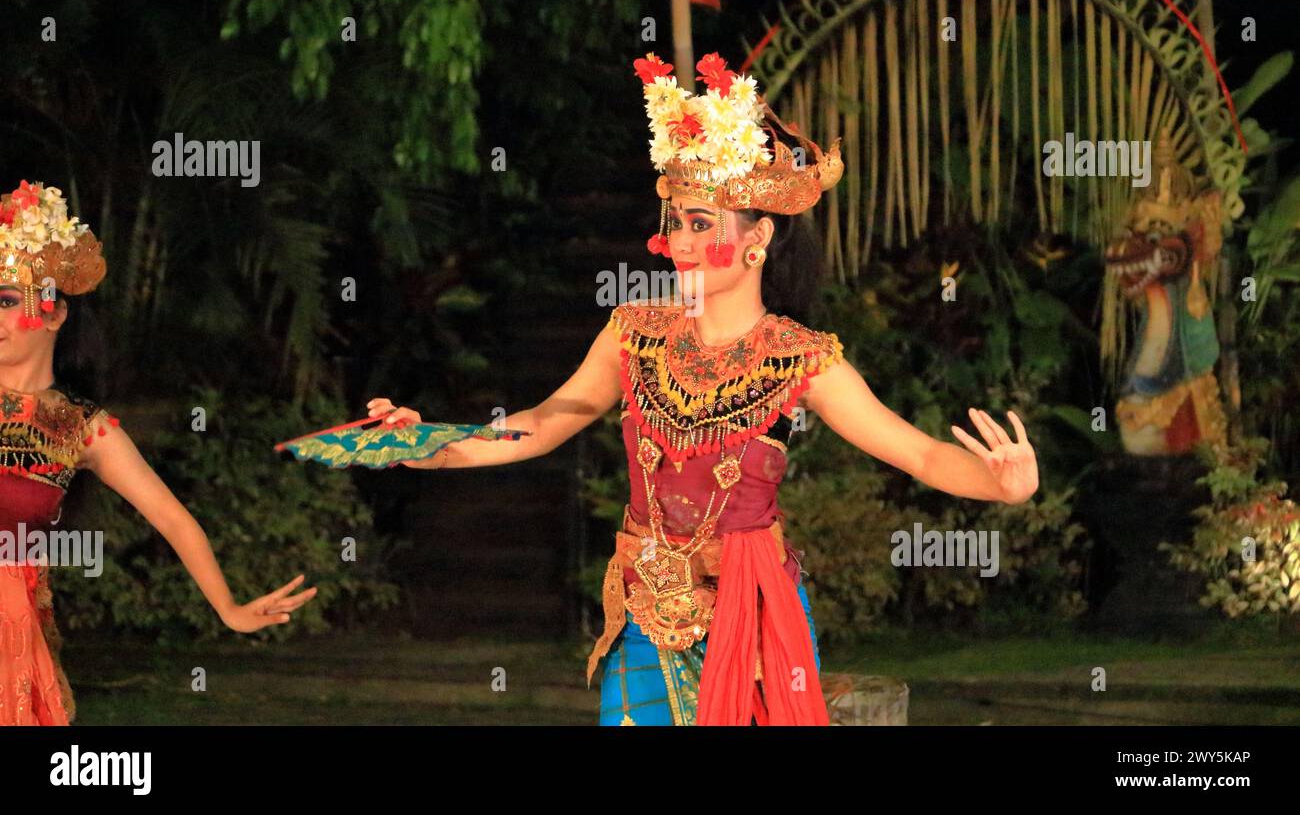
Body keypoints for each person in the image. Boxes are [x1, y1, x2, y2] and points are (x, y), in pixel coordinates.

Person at [368, 52, 1039, 726]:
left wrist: (1004, 485)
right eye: (677, 222)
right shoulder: (633, 335)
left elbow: (919, 455)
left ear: (759, 238)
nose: (681, 243)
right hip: (647, 611)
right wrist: (433, 444)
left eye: (701, 224)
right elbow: (543, 423)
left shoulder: (800, 360)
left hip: (752, 616)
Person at [0, 180, 317, 725]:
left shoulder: (82, 429)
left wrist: (230, 610)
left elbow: (174, 519)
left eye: (7, 301)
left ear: (54, 313)